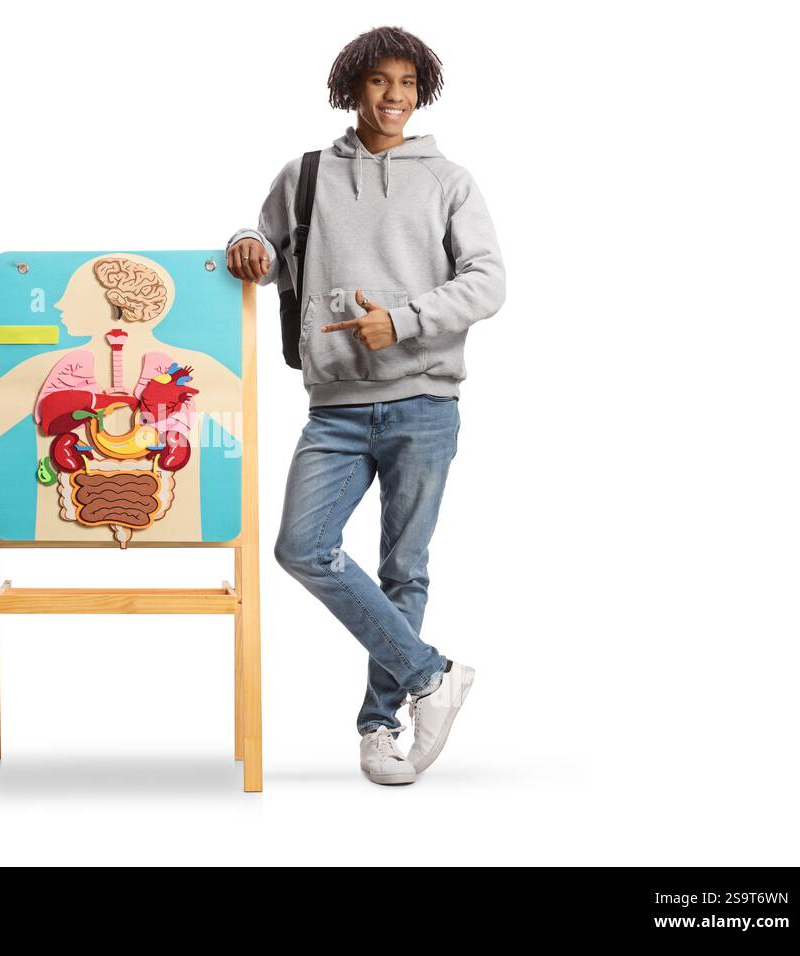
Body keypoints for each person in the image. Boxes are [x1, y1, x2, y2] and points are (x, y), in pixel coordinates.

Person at [224, 25, 505, 785]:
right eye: (379, 81)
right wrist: (247, 242)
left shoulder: (449, 180)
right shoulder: (307, 174)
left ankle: (381, 730)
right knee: (300, 547)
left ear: (423, 92)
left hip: (423, 402)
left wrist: (405, 320)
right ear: (352, 86)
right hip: (336, 408)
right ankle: (431, 676)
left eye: (408, 83)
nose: (394, 96)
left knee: (403, 569)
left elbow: (488, 282)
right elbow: (267, 248)